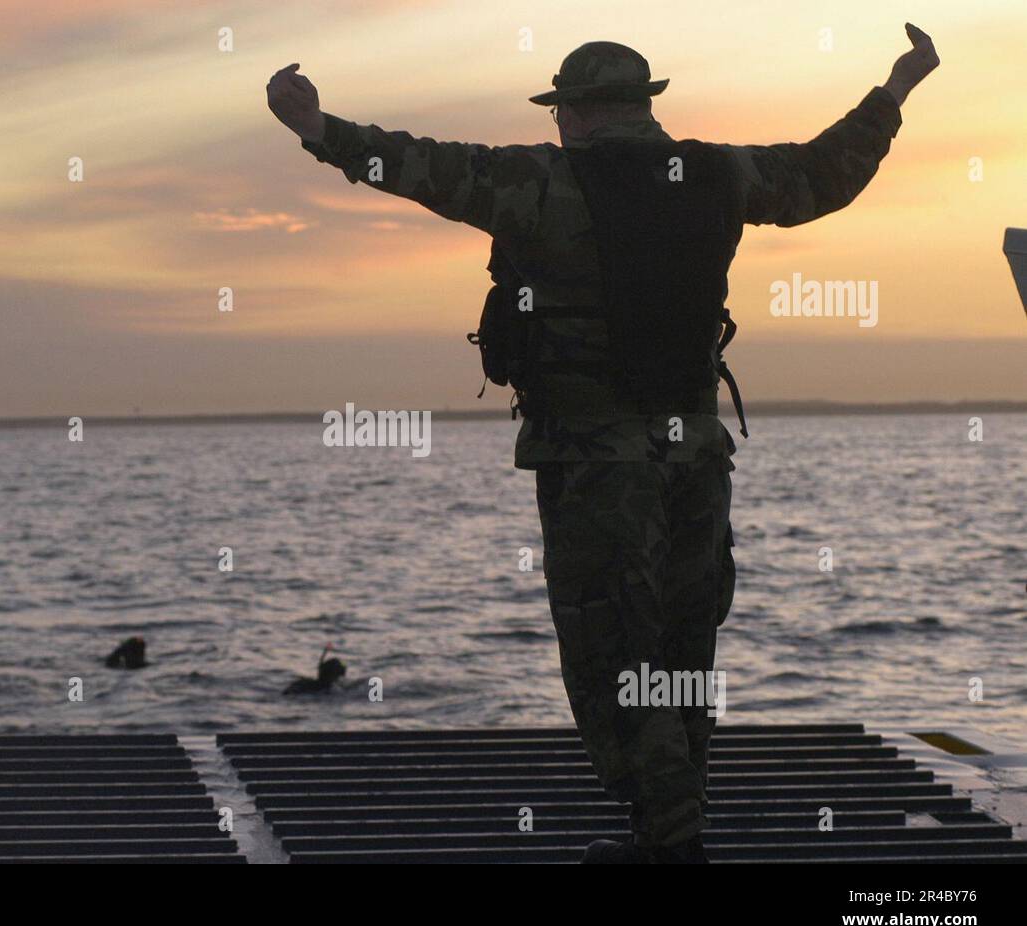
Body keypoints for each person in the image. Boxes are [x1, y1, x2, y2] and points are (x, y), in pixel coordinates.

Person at [267, 25, 938, 863]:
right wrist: (895, 91)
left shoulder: (543, 182)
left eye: (561, 115)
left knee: (615, 656)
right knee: (684, 651)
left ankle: (671, 840)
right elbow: (821, 173)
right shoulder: (720, 174)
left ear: (576, 114)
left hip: (597, 465)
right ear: (643, 106)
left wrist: (319, 131)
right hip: (696, 458)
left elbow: (419, 166)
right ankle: (662, 834)